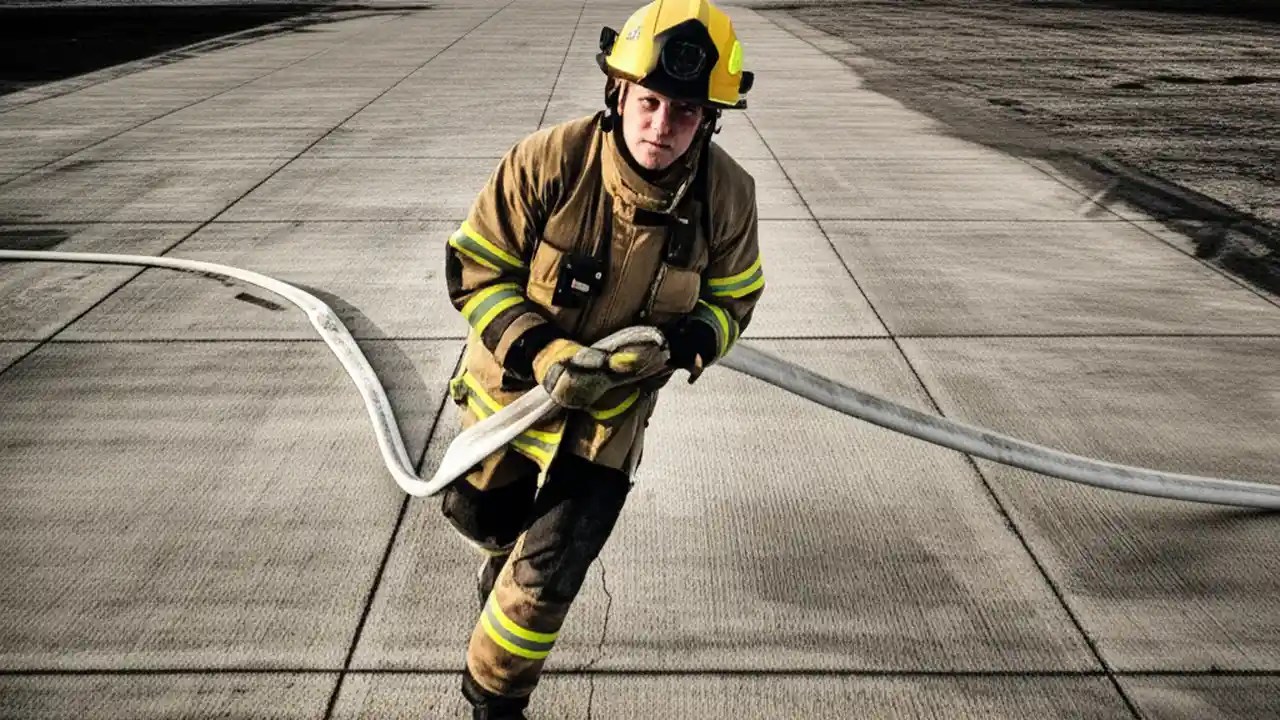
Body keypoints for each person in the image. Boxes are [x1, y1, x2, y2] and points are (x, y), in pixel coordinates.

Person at [439, 1, 763, 717]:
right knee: (484, 520)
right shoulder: (547, 162)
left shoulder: (729, 196)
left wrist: (691, 340)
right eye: (649, 102)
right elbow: (474, 272)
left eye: (685, 111)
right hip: (510, 399)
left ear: (710, 119)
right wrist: (544, 352)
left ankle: (495, 700)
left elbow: (736, 298)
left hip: (608, 420)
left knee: (549, 575)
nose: (662, 126)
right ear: (618, 92)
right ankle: (500, 561)